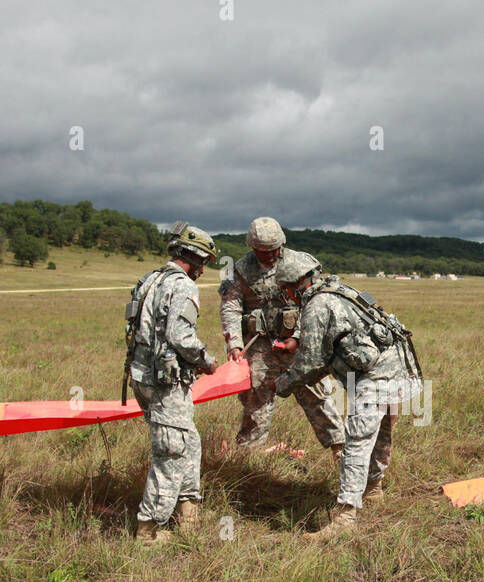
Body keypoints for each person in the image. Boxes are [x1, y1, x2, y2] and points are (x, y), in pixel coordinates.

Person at [274, 255, 423, 538]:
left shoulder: (317, 304)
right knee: (381, 432)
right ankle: (373, 489)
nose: (286, 295)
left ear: (296, 284)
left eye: (286, 288)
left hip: (377, 376)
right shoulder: (338, 289)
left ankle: (345, 517)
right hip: (398, 366)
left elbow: (312, 364)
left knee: (357, 440)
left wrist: (280, 385)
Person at [124, 223, 219, 544]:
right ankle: (149, 531)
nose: (204, 270)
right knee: (171, 455)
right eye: (204, 262)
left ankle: (188, 511)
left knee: (189, 442)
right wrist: (206, 360)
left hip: (143, 379)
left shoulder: (149, 280)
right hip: (166, 385)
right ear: (192, 257)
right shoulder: (182, 287)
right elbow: (180, 336)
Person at [219, 217, 344, 456]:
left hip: (299, 345)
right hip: (259, 347)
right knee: (256, 402)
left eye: (273, 250)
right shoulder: (240, 270)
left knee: (317, 396)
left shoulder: (301, 264)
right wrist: (234, 343)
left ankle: (343, 453)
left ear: (282, 244)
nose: (268, 256)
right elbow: (231, 307)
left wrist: (297, 337)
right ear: (251, 246)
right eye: (261, 251)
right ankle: (248, 459)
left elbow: (317, 302)